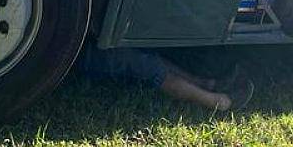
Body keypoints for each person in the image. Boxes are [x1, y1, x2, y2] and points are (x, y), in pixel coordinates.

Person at [79, 46, 255, 111]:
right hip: (81, 53)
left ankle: (203, 83)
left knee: (147, 56)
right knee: (146, 66)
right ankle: (215, 102)